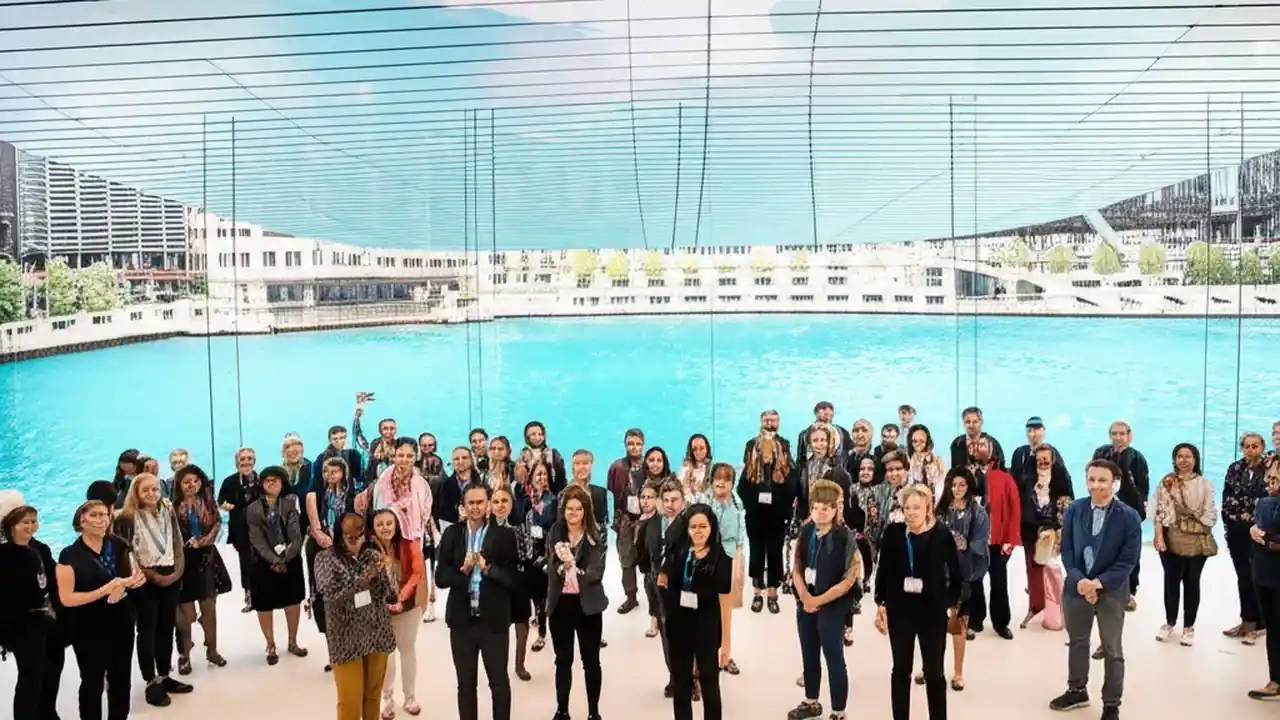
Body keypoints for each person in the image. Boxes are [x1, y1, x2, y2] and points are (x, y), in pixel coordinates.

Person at [1049, 459, 1142, 720]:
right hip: (1077, 586)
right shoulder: (1074, 510)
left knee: (1112, 648)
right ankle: (1077, 689)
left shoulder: (1129, 517)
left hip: (1111, 590)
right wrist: (1079, 580)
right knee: (1077, 642)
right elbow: (1067, 551)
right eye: (1091, 479)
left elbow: (1128, 560)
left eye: (1102, 480)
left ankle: (1111, 704)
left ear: (1115, 483)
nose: (1096, 485)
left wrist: (1098, 584)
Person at [875, 483, 964, 720]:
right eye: (907, 507)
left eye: (916, 507)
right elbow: (883, 571)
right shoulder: (893, 534)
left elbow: (956, 575)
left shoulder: (942, 536)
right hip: (900, 611)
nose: (911, 512)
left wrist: (950, 604)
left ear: (928, 508)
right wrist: (880, 603)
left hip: (931, 614)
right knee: (900, 669)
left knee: (934, 672)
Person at [435, 483, 519, 720]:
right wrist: (464, 571)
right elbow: (440, 578)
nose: (476, 507)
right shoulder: (452, 534)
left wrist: (488, 569)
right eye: (470, 503)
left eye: (480, 502)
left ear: (489, 504)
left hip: (493, 622)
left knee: (499, 683)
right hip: (462, 622)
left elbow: (513, 580)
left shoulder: (504, 535)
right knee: (466, 684)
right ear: (463, 506)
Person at [57, 500, 146, 720]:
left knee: (121, 679)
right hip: (88, 627)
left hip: (121, 622)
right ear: (81, 521)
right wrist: (105, 591)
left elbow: (132, 575)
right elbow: (66, 599)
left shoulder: (119, 544)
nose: (101, 520)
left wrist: (134, 582)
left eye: (105, 515)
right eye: (95, 515)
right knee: (92, 681)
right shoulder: (69, 555)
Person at [114, 473, 193, 706]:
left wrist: (177, 571)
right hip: (144, 578)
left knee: (167, 626)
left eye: (155, 489)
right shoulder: (127, 517)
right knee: (148, 628)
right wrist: (149, 576)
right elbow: (126, 553)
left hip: (169, 573)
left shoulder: (167, 508)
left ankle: (165, 674)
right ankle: (151, 681)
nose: (152, 494)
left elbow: (177, 540)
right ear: (136, 492)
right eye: (145, 490)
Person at [787, 480, 860, 720]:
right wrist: (806, 597)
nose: (820, 513)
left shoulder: (844, 536)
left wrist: (819, 600)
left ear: (836, 509)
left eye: (826, 508)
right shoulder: (806, 531)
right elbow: (796, 566)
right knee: (809, 653)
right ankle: (811, 700)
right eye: (816, 507)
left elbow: (849, 578)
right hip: (805, 603)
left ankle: (838, 710)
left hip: (832, 606)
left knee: (833, 656)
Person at [314, 513, 397, 720]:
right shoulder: (325, 558)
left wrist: (386, 571)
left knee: (372, 697)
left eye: (360, 535)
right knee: (349, 701)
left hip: (376, 633)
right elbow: (332, 596)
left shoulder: (371, 555)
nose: (356, 541)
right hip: (345, 639)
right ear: (339, 535)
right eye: (350, 537)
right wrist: (363, 578)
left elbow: (388, 595)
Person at [661, 503, 733, 720]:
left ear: (712, 528)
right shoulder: (679, 553)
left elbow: (723, 588)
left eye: (703, 526)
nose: (698, 531)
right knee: (681, 684)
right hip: (679, 626)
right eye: (693, 527)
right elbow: (666, 584)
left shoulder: (721, 557)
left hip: (706, 628)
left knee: (710, 684)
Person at [0, 494, 67, 720]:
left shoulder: (41, 548)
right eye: (23, 521)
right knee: (31, 676)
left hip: (47, 620)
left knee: (53, 667)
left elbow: (54, 578)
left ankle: (47, 711)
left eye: (32, 521)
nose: (29, 526)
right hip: (23, 625)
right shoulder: (5, 555)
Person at [546, 484, 608, 720]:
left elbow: (596, 572)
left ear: (586, 511)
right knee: (563, 660)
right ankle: (562, 710)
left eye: (578, 509)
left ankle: (593, 712)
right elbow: (550, 564)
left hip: (588, 606)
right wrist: (562, 566)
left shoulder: (595, 534)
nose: (573, 513)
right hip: (561, 605)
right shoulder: (555, 532)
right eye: (569, 509)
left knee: (591, 661)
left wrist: (575, 567)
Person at [1152, 443, 1216, 647]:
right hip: (1171, 538)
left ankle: (1189, 626)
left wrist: (1194, 524)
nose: (1184, 460)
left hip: (1196, 540)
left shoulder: (1204, 483)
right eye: (1180, 456)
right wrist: (1159, 536)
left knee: (1192, 582)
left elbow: (1210, 513)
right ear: (1174, 459)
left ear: (1195, 459)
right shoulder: (1167, 482)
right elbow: (1159, 511)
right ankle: (1170, 622)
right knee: (1171, 582)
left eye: (1188, 456)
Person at [935, 468, 990, 691]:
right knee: (934, 627)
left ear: (969, 486)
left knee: (959, 625)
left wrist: (965, 545)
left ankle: (958, 672)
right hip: (939, 575)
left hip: (964, 575)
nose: (956, 489)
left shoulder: (978, 512)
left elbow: (981, 541)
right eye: (953, 484)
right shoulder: (940, 511)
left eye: (962, 485)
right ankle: (933, 668)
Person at [246, 467, 307, 664]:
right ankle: (270, 645)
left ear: (283, 483)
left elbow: (297, 535)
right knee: (264, 604)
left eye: (276, 480)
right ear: (261, 484)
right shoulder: (253, 508)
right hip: (263, 563)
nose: (272, 484)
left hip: (290, 560)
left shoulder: (291, 504)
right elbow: (256, 539)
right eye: (267, 480)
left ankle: (293, 642)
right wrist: (273, 559)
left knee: (293, 600)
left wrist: (285, 557)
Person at [171, 464, 227, 674]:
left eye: (195, 481)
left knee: (209, 607)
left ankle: (212, 650)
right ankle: (184, 653)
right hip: (182, 561)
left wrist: (204, 541)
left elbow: (218, 523)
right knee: (187, 615)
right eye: (187, 482)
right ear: (179, 485)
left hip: (206, 558)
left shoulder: (208, 501)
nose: (192, 485)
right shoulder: (171, 507)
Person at [371, 509, 424, 719]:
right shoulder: (368, 549)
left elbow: (417, 572)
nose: (385, 528)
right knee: (386, 656)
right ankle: (387, 699)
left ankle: (410, 697)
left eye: (389, 523)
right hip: (379, 609)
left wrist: (402, 597)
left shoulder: (408, 543)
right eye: (380, 524)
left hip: (407, 606)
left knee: (408, 650)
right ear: (373, 528)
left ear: (396, 525)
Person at [739, 410, 794, 615]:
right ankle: (757, 592)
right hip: (756, 511)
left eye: (773, 419)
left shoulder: (785, 445)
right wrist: (750, 504)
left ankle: (772, 593)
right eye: (766, 419)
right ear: (761, 421)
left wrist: (786, 507)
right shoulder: (751, 444)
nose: (769, 422)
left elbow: (790, 477)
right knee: (756, 551)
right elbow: (745, 480)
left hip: (777, 511)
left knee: (775, 551)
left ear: (778, 422)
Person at [638, 479, 690, 698]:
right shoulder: (649, 525)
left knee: (686, 637)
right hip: (657, 589)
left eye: (675, 500)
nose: (670, 505)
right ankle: (674, 677)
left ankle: (690, 679)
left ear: (683, 500)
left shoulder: (690, 524)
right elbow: (642, 556)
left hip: (683, 588)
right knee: (667, 636)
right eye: (666, 500)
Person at [1091, 421, 1149, 612]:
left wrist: (1137, 514)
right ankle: (1098, 587)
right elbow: (1092, 479)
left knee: (1130, 554)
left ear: (1129, 436)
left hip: (1127, 513)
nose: (1118, 437)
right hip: (1102, 510)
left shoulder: (1137, 458)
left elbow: (1142, 490)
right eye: (1114, 433)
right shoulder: (1101, 453)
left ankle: (1129, 592)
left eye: (1122, 434)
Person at [966, 436, 1020, 639]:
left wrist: (1011, 539)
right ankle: (975, 619)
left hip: (998, 540)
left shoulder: (1005, 477)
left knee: (999, 582)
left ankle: (1001, 622)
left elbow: (1015, 510)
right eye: (976, 445)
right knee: (974, 581)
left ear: (992, 449)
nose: (978, 448)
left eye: (983, 445)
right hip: (975, 539)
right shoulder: (967, 475)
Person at [307, 457, 357, 670]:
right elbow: (314, 523)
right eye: (327, 472)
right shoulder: (315, 494)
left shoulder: (353, 496)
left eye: (335, 472)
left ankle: (352, 649)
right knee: (324, 599)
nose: (330, 475)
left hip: (346, 547)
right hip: (320, 549)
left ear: (343, 473)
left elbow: (356, 522)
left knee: (348, 598)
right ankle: (333, 654)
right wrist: (323, 538)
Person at [1222, 432, 1270, 644]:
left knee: (1257, 576)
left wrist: (1247, 512)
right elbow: (1228, 498)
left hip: (1259, 531)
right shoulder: (1235, 468)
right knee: (1243, 576)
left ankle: (1261, 623)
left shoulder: (1269, 469)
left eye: (1255, 446)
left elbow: (1265, 499)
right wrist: (1240, 514)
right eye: (1247, 446)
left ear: (1262, 447)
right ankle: (1247, 620)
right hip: (1236, 531)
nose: (1250, 450)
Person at [1019, 444, 1073, 629]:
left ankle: (1058, 612)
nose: (1042, 462)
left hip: (1054, 530)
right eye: (1039, 459)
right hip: (1030, 529)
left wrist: (1058, 529)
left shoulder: (1062, 478)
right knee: (1033, 570)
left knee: (1053, 570)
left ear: (1053, 460)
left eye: (1046, 459)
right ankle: (1035, 607)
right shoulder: (1027, 478)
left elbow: (1068, 505)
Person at [705, 463, 744, 674]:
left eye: (726, 479)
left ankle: (726, 655)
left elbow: (740, 540)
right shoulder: (703, 501)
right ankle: (706, 656)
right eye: (717, 478)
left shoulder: (737, 504)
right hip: (706, 559)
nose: (721, 483)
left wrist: (738, 568)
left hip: (728, 559)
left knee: (725, 613)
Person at [1247, 452, 1280, 700]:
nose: (1271, 477)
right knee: (1274, 629)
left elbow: (1268, 524)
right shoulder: (1267, 500)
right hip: (1265, 573)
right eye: (1270, 474)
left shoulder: (1267, 503)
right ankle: (1276, 679)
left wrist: (1264, 536)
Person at [517, 463, 557, 663]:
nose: (541, 477)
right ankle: (537, 617)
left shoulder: (554, 501)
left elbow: (556, 529)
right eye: (537, 474)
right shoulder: (524, 500)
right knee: (534, 595)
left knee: (543, 596)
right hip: (527, 553)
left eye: (544, 474)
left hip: (545, 555)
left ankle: (542, 633)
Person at [607, 428, 648, 615]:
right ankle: (631, 597)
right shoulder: (617, 467)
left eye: (638, 443)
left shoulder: (651, 465)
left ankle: (655, 597)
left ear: (643, 445)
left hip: (647, 520)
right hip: (625, 520)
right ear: (625, 444)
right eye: (631, 443)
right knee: (626, 561)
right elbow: (613, 494)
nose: (634, 447)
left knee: (650, 559)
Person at [217, 447, 260, 613]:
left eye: (249, 458)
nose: (246, 462)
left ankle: (263, 595)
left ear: (254, 461)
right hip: (240, 531)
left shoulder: (262, 479)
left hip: (260, 529)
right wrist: (224, 505)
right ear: (237, 463)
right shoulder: (229, 481)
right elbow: (220, 500)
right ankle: (249, 597)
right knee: (246, 564)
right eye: (242, 459)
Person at [516, 420, 568, 494]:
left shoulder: (553, 454)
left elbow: (561, 478)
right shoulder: (523, 456)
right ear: (527, 437)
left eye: (540, 434)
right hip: (528, 497)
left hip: (551, 495)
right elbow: (519, 482)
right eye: (533, 434)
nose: (538, 437)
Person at [1009, 416, 1065, 483]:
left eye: (1036, 430)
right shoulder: (1020, 454)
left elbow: (1063, 480)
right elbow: (1013, 480)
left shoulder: (1052, 453)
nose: (1032, 434)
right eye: (1030, 431)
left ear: (1043, 432)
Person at [948, 407, 1005, 471]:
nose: (971, 425)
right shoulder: (956, 444)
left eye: (975, 422)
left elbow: (1001, 470)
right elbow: (954, 471)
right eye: (967, 422)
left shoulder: (993, 443)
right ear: (963, 423)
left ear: (981, 422)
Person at [678, 434, 713, 499]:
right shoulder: (685, 468)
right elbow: (680, 489)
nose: (698, 452)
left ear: (707, 448)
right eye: (694, 449)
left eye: (701, 448)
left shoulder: (713, 468)